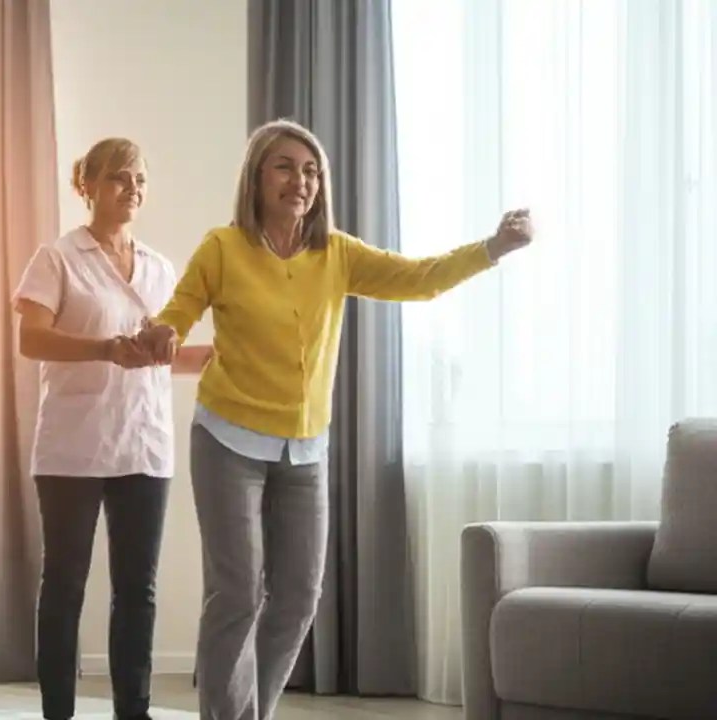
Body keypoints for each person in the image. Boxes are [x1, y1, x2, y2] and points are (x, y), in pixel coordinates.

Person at [136, 119, 534, 720]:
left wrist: (491, 249)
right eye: (286, 166)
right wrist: (163, 331)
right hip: (227, 442)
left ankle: (253, 714)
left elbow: (418, 280)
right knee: (237, 593)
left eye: (312, 170)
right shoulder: (223, 247)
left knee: (297, 597)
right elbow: (180, 309)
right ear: (257, 177)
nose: (301, 180)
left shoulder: (337, 254)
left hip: (304, 449)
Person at [13, 137, 178, 720]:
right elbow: (31, 338)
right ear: (87, 187)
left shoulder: (160, 268)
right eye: (118, 179)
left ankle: (134, 711)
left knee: (138, 590)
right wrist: (107, 348)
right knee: (65, 585)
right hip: (73, 448)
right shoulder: (57, 258)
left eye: (139, 179)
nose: (132, 189)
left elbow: (163, 353)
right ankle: (58, 711)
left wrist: (217, 357)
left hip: (145, 443)